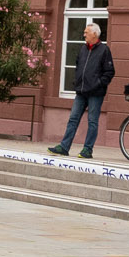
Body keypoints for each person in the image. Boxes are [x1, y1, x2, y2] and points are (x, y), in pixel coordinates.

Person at [48, 20, 115, 159]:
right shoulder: (83, 49)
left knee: (92, 121)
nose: (84, 34)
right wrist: (76, 81)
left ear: (95, 34)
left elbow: (109, 72)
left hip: (95, 93)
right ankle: (64, 147)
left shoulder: (104, 50)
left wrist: (98, 83)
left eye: (86, 32)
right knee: (73, 119)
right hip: (81, 91)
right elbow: (78, 66)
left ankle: (87, 150)